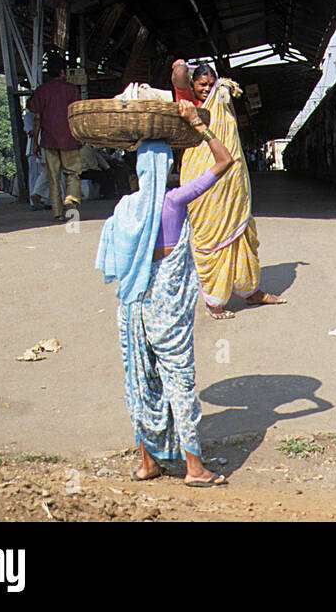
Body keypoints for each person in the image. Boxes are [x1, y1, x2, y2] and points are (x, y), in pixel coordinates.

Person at [95, 100, 232, 487]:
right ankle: (193, 467)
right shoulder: (175, 200)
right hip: (167, 307)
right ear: (167, 168)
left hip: (134, 305)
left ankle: (147, 463)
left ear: (139, 169)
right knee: (179, 379)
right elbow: (225, 163)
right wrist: (199, 127)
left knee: (142, 378)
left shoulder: (124, 208)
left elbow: (116, 258)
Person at [174, 61, 286, 320]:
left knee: (242, 235)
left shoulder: (223, 98)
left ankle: (252, 292)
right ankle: (215, 301)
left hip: (232, 184)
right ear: (193, 85)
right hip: (203, 183)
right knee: (212, 236)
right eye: (202, 84)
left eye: (211, 84)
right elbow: (178, 75)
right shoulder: (188, 101)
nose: (208, 89)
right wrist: (182, 64)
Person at [28, 55, 83, 222]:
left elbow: (37, 118)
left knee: (53, 176)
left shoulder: (41, 91)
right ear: (62, 71)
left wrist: (35, 142)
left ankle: (58, 212)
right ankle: (71, 200)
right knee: (72, 172)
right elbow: (77, 115)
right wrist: (81, 136)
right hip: (69, 138)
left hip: (48, 139)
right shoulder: (72, 90)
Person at [21, 107, 50, 210]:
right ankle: (35, 199)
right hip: (34, 149)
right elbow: (31, 132)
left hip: (44, 146)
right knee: (36, 174)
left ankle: (45, 199)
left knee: (45, 173)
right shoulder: (29, 116)